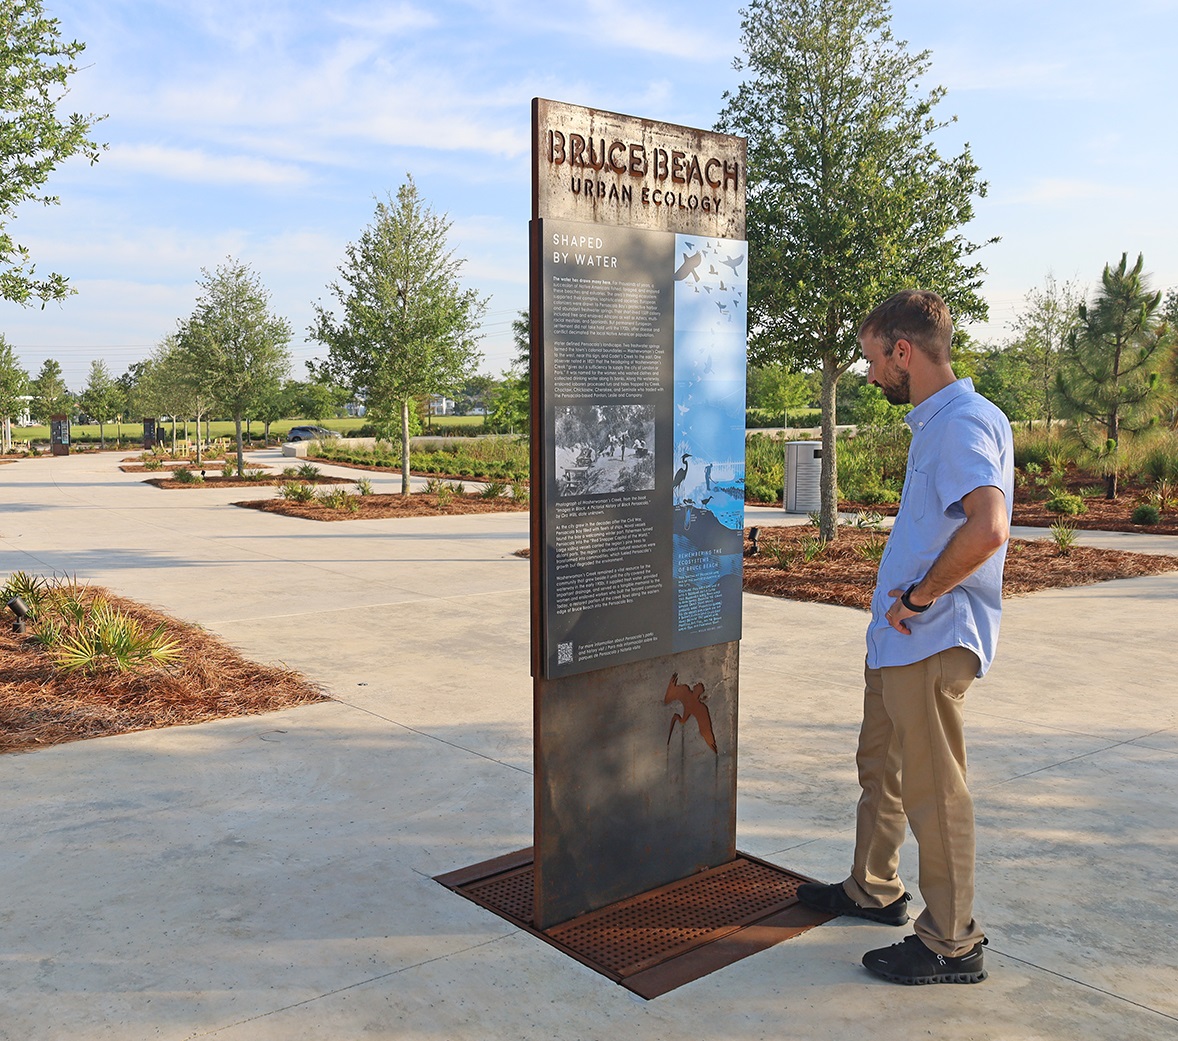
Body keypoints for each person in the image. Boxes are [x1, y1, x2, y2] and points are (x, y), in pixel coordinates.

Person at [798, 290, 1013, 986]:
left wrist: (920, 596)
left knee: (933, 791)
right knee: (882, 770)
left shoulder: (961, 423)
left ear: (903, 351)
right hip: (901, 641)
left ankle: (952, 941)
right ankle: (874, 887)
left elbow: (988, 526)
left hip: (929, 637)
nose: (868, 374)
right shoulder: (943, 422)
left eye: (872, 359)